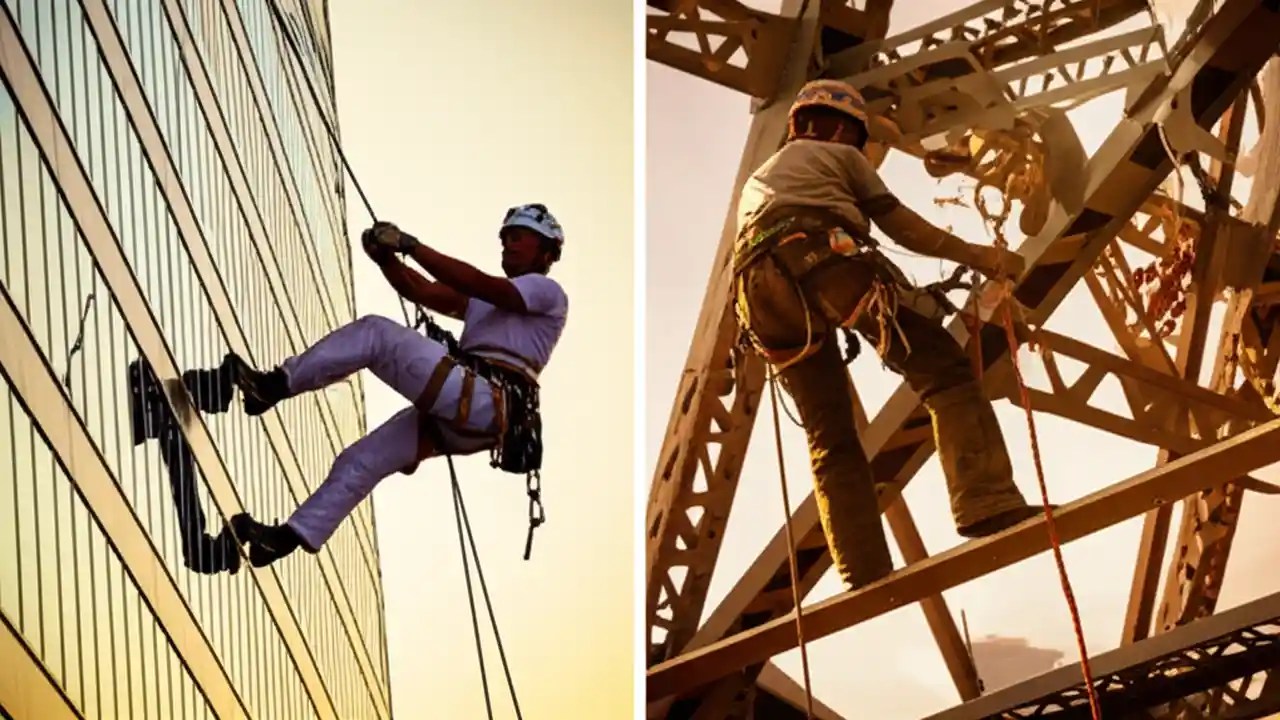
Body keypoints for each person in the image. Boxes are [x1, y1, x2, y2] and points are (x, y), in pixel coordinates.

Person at [732, 79, 1045, 590]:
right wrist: (981, 256)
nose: (860, 149)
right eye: (858, 138)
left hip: (756, 295)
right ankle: (985, 502)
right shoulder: (838, 154)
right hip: (817, 256)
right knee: (943, 373)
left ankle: (862, 566)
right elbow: (904, 228)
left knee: (828, 435)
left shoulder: (760, 178)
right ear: (840, 128)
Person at [224, 204, 569, 567]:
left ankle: (273, 384)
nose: (507, 244)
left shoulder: (547, 292)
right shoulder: (486, 300)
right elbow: (422, 290)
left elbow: (476, 282)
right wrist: (387, 260)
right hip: (470, 413)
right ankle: (282, 541)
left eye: (518, 238)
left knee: (375, 334)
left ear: (546, 251)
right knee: (361, 460)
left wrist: (410, 245)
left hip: (482, 398)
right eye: (505, 238)